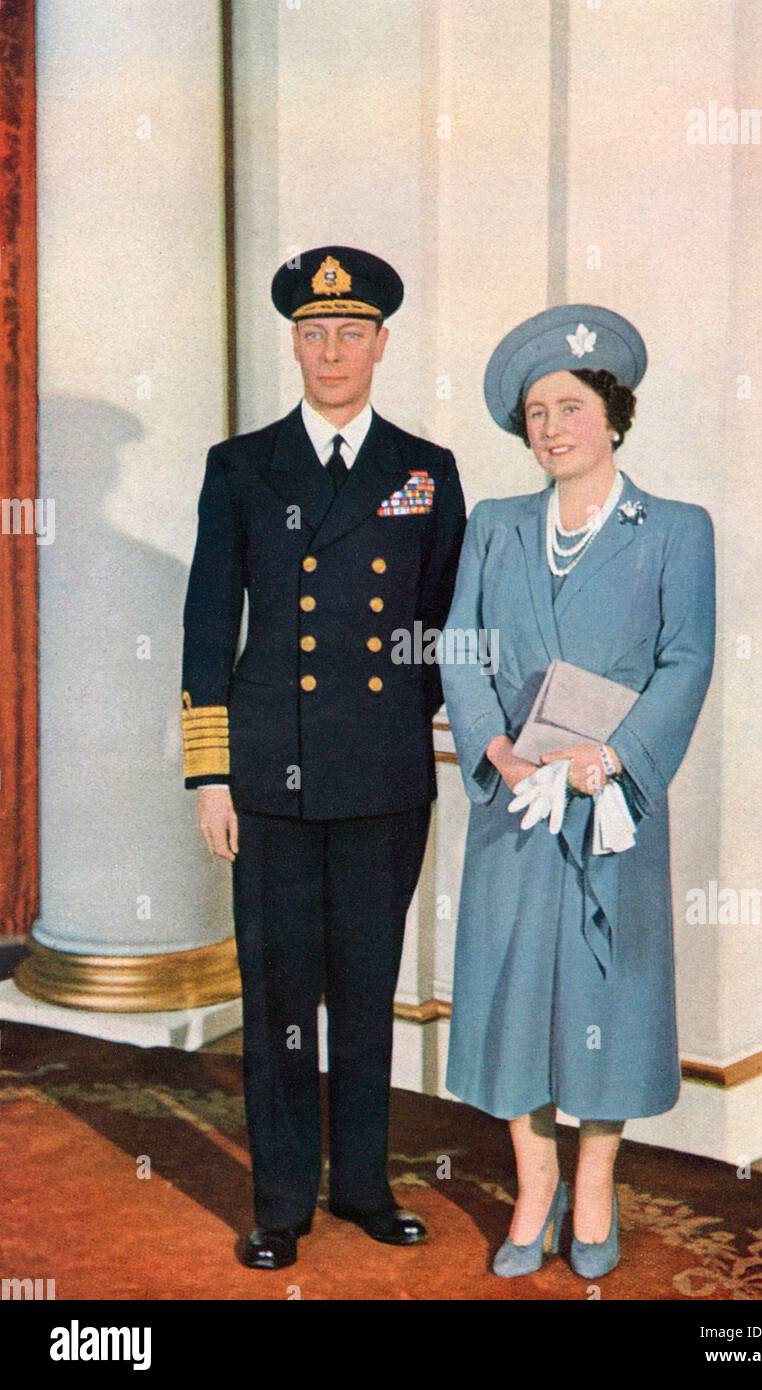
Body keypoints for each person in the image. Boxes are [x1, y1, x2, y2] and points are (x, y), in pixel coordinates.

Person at [180, 245, 467, 1269]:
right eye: (313, 332)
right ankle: (281, 1200)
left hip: (384, 773)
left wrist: (426, 733)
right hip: (268, 771)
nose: (331, 350)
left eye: (350, 333)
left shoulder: (425, 470)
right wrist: (210, 773)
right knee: (276, 991)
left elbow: (439, 625)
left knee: (364, 982)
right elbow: (209, 621)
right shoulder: (241, 465)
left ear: (381, 345)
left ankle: (361, 1182)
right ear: (292, 344)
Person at [439, 304, 715, 1279]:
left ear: (611, 412)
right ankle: (535, 1182)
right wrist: (500, 752)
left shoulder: (675, 529)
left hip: (609, 804)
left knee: (609, 990)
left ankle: (594, 1184)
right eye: (533, 413)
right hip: (515, 802)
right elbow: (460, 649)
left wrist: (616, 755)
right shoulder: (495, 525)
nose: (549, 427)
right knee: (510, 986)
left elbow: (684, 662)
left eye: (568, 405)